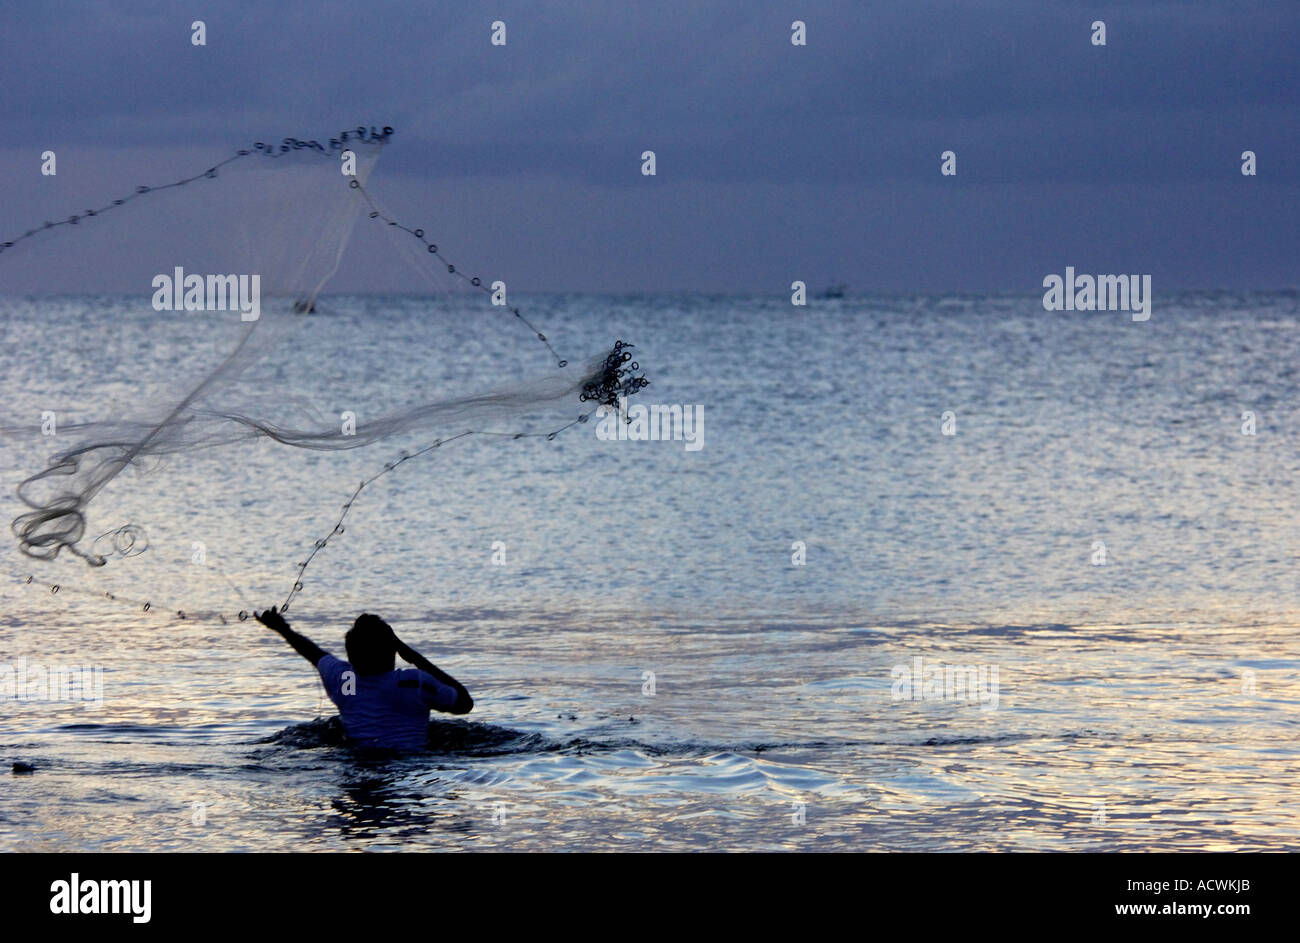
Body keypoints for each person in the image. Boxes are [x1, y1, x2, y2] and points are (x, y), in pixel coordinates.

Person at [256, 605, 473, 751]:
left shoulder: (345, 681)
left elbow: (312, 652)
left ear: (350, 654)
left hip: (357, 761)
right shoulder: (413, 683)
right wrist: (412, 655)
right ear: (393, 650)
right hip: (407, 767)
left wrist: (282, 629)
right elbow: (464, 703)